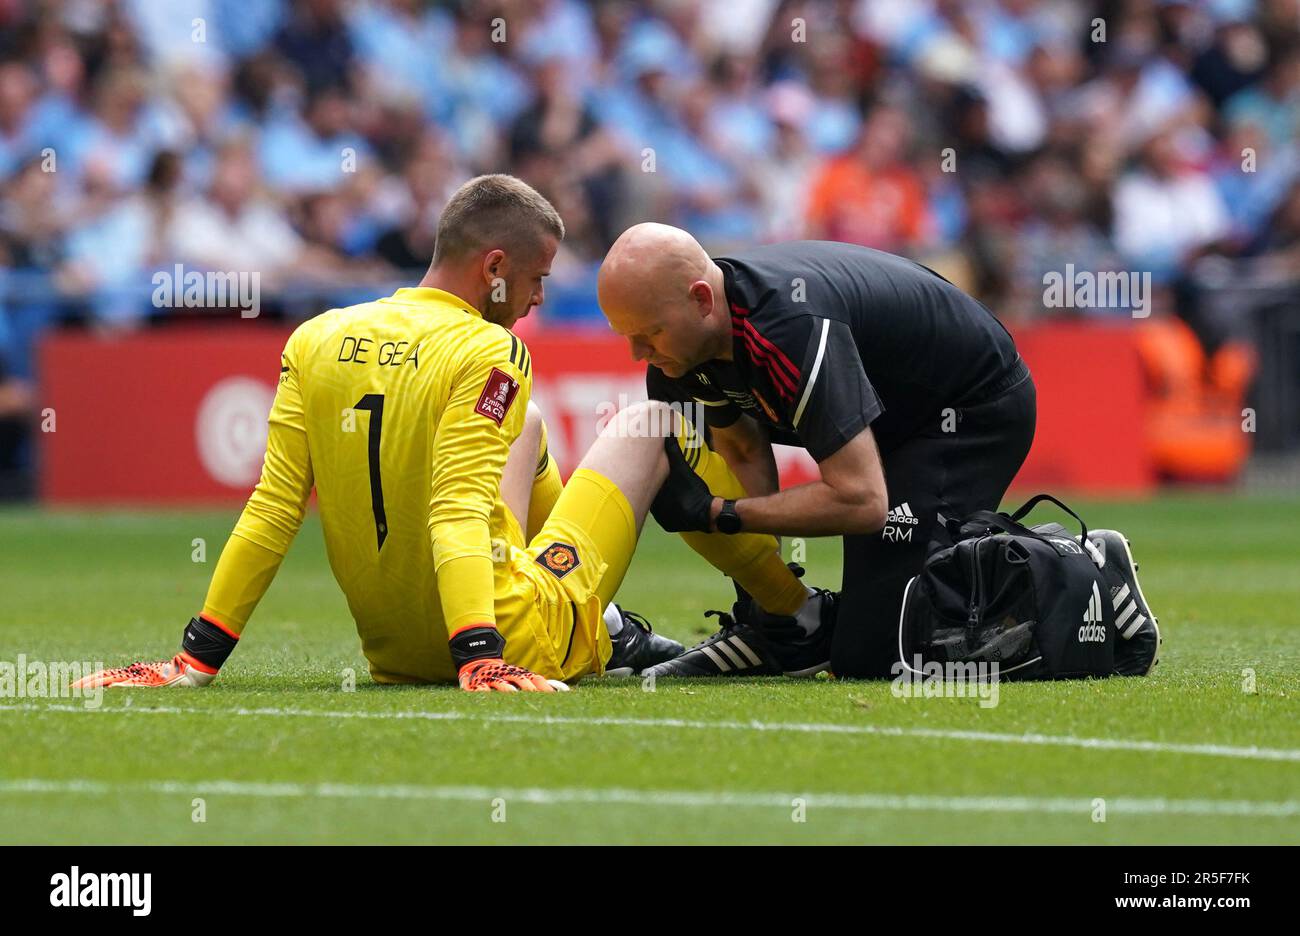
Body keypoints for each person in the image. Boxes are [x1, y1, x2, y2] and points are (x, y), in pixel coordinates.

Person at [76, 176, 738, 693]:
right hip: (501, 638)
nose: (539, 299)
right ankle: (781, 620)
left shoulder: (316, 337)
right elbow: (455, 510)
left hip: (396, 654)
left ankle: (609, 625)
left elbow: (273, 509)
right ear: (496, 266)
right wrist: (481, 655)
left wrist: (196, 656)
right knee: (651, 421)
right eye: (537, 279)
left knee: (528, 426)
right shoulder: (490, 351)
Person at [598, 223, 1160, 678]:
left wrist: (719, 515)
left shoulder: (788, 326)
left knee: (881, 653)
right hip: (888, 422)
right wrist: (770, 595)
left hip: (966, 410)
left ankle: (1084, 564)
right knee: (857, 641)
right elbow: (744, 449)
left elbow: (862, 501)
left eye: (646, 333)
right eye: (625, 335)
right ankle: (788, 630)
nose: (635, 354)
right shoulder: (684, 348)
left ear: (701, 300)